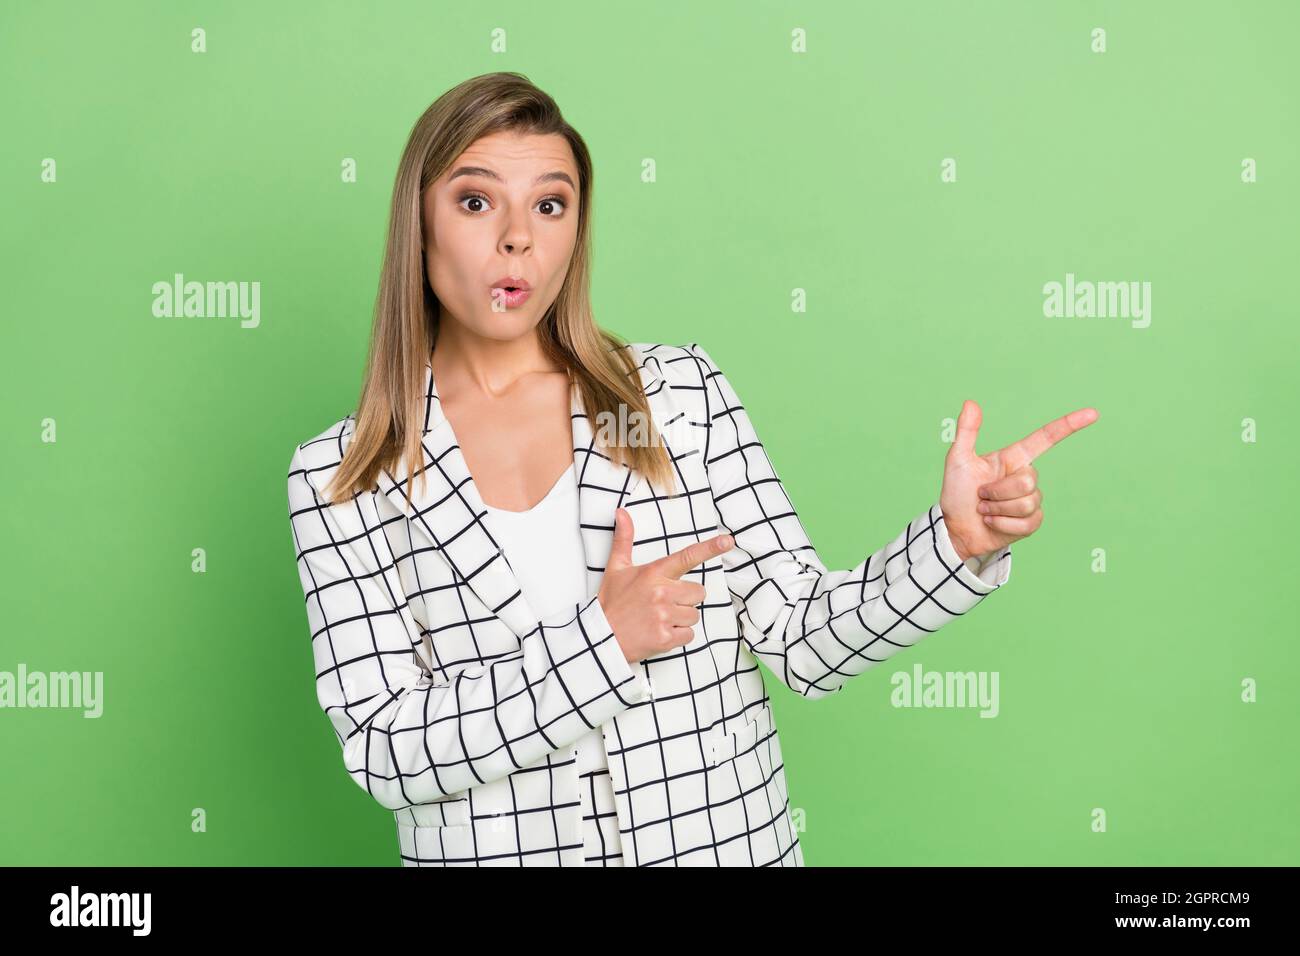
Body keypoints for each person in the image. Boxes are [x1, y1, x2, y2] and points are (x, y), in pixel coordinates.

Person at [285, 72, 1098, 867]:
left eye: (549, 203)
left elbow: (802, 638)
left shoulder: (675, 395)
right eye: (474, 201)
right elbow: (386, 753)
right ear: (417, 225)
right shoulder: (340, 478)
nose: (517, 238)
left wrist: (954, 543)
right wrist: (603, 643)